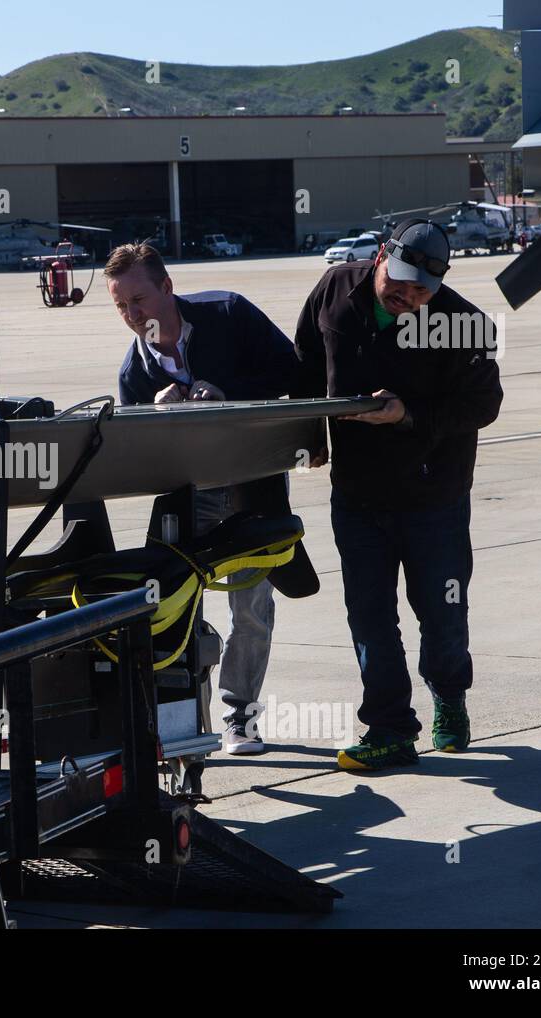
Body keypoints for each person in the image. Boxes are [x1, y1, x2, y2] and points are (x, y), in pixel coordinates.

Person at [291, 219, 503, 770]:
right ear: (382, 255)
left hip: (434, 498)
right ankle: (389, 730)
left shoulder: (464, 325)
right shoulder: (336, 288)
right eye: (400, 284)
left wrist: (408, 414)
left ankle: (449, 696)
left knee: (442, 614)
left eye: (421, 293)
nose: (407, 298)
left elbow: (482, 406)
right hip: (357, 494)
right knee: (369, 617)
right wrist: (310, 435)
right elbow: (306, 363)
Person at [105, 242, 299, 754]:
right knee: (178, 608)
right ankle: (189, 719)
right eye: (120, 306)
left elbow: (292, 370)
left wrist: (227, 393)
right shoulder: (134, 374)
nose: (132, 315)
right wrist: (152, 415)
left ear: (168, 288)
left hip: (253, 482)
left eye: (139, 300)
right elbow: (138, 459)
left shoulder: (228, 313)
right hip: (189, 496)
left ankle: (240, 716)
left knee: (251, 607)